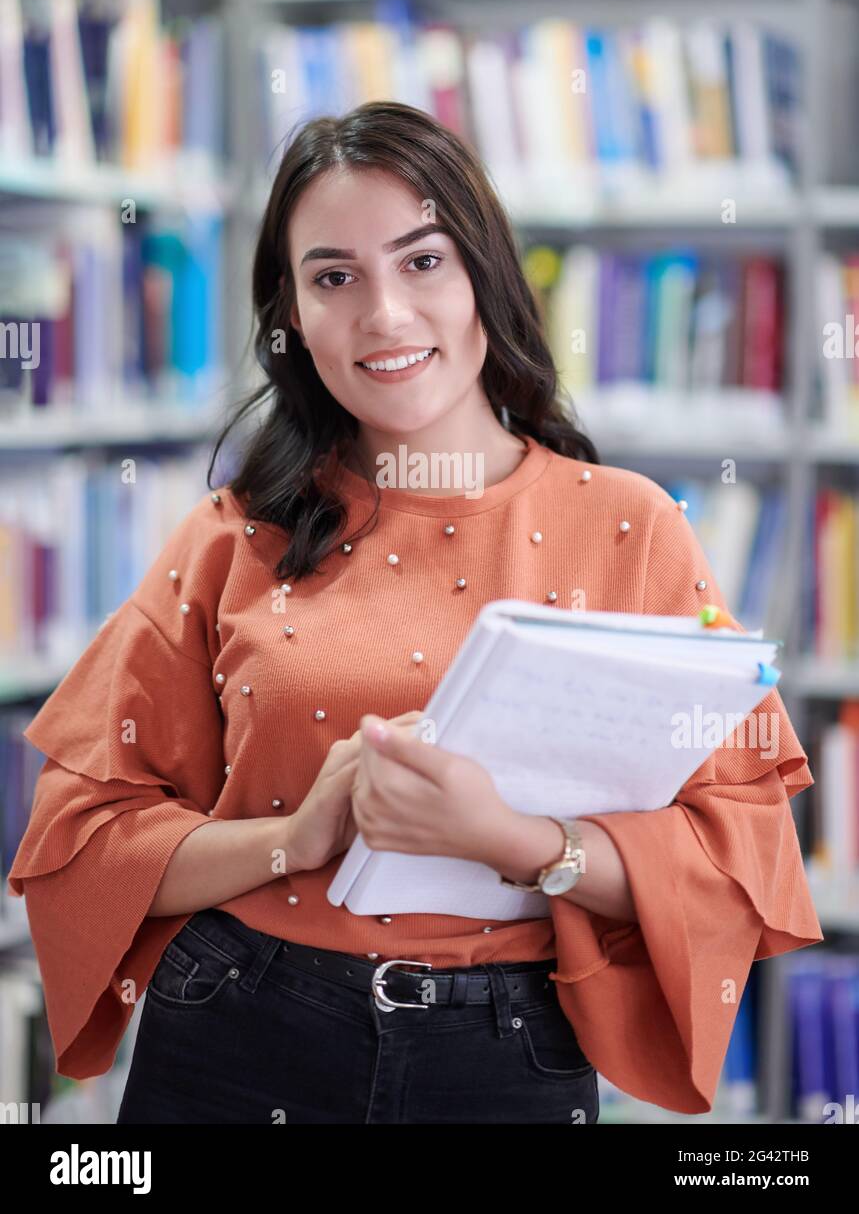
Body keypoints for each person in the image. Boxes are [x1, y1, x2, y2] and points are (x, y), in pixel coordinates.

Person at [8, 101, 822, 1125]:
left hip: (506, 1052)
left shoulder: (631, 528)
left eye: (422, 260)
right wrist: (292, 839)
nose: (383, 315)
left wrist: (518, 838)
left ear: (483, 269)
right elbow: (82, 837)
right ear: (292, 316)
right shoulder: (232, 534)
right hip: (236, 1030)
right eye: (333, 277)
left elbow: (730, 856)